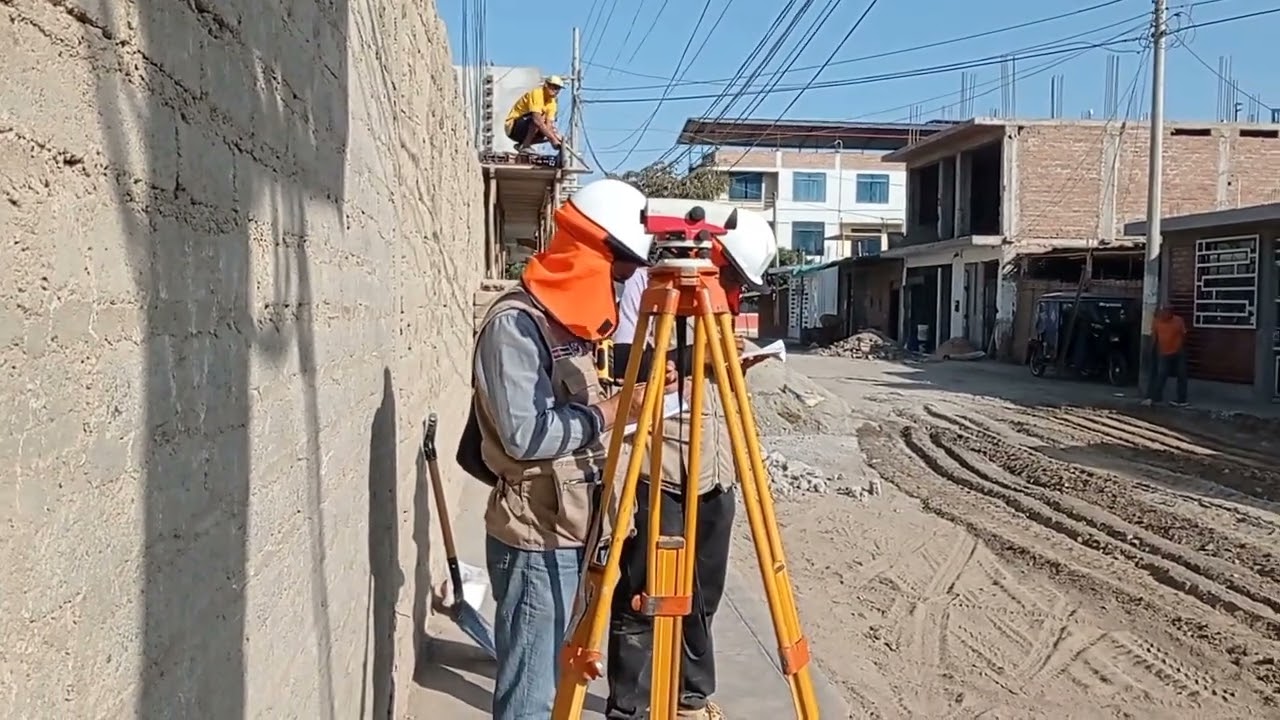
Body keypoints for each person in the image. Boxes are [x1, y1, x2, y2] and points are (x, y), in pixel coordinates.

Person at [472, 177, 664, 720]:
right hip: (535, 536)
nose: (621, 288)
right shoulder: (516, 325)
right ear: (592, 255)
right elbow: (528, 436)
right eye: (618, 274)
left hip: (572, 525)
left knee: (554, 681)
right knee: (531, 696)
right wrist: (608, 414)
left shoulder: (563, 324)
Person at [605, 208, 779, 720]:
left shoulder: (721, 312)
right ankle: (629, 702)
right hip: (659, 469)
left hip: (714, 471)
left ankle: (691, 692)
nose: (732, 290)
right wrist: (695, 359)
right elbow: (623, 364)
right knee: (642, 590)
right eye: (730, 278)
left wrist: (731, 357)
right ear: (713, 255)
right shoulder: (646, 286)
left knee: (705, 590)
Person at [1144, 303, 1189, 407]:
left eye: (1169, 311)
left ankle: (1182, 399)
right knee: (1161, 374)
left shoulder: (1178, 321)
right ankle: (1156, 397)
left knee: (1182, 375)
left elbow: (1184, 334)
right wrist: (1152, 351)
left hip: (1178, 352)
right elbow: (1154, 337)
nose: (1166, 314)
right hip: (1163, 352)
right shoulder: (1157, 322)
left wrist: (1180, 346)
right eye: (1164, 311)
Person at [505, 75, 565, 154]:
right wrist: (552, 140)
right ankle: (525, 146)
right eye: (554, 87)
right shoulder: (537, 93)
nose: (556, 91)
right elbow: (536, 120)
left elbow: (549, 125)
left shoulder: (552, 102)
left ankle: (522, 145)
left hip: (526, 129)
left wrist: (556, 139)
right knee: (539, 120)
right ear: (546, 84)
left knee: (551, 131)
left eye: (558, 88)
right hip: (513, 126)